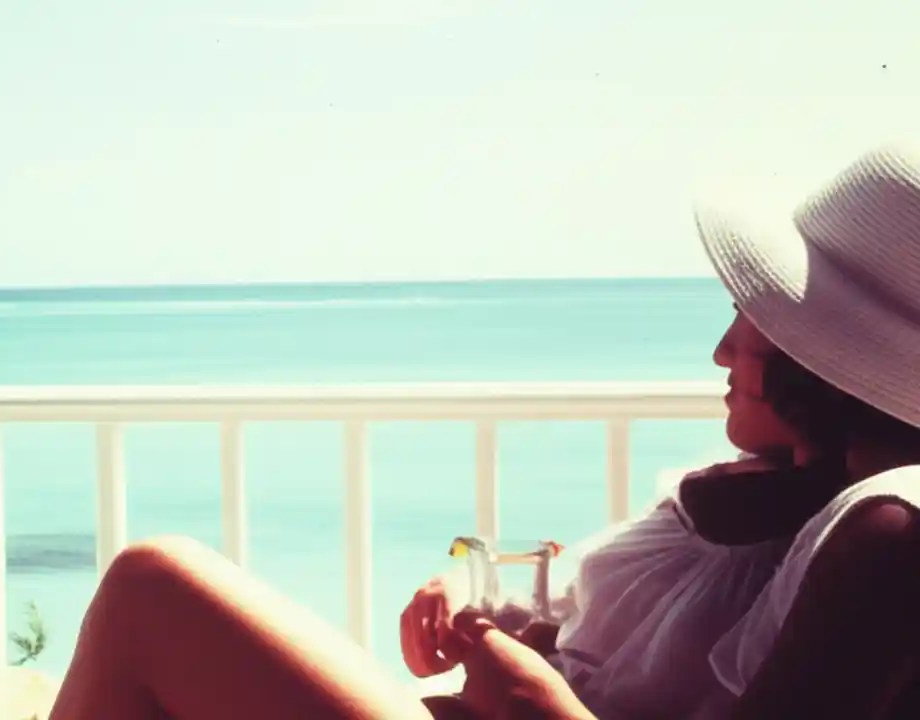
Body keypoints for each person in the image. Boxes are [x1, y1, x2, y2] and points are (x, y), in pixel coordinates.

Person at [48, 140, 920, 720]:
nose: (723, 348)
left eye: (755, 317)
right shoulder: (803, 497)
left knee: (151, 587)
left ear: (830, 356)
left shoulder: (885, 526)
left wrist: (546, 706)